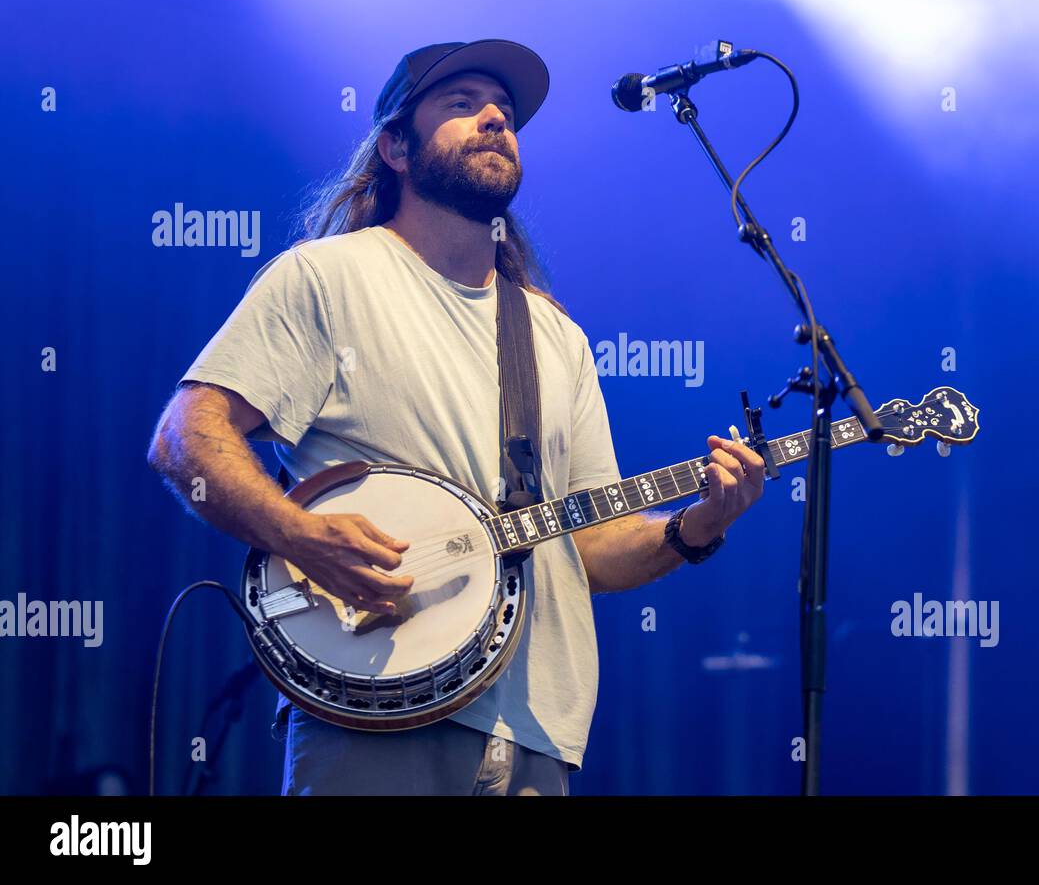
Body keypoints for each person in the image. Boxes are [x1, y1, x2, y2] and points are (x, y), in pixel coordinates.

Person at [147, 39, 766, 795]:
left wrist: (698, 525)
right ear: (395, 146)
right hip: (371, 708)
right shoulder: (327, 278)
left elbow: (594, 546)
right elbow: (187, 435)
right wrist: (299, 535)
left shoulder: (553, 335)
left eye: (504, 110)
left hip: (539, 731)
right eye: (462, 103)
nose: (496, 118)